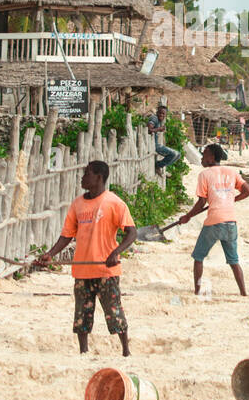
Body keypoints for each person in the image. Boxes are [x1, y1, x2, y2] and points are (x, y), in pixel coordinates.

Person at [37, 160, 137, 356]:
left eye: (87, 174)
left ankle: (126, 351)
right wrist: (50, 254)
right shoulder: (78, 204)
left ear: (99, 177)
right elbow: (67, 235)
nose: (82, 177)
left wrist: (116, 252)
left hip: (106, 271)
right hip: (82, 270)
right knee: (82, 315)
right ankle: (84, 352)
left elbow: (131, 233)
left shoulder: (114, 203)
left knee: (114, 312)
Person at [178, 143, 249, 296]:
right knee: (233, 261)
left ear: (211, 158)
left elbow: (201, 202)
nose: (202, 157)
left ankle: (197, 291)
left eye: (204, 154)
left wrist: (187, 216)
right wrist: (230, 200)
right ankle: (243, 292)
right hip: (230, 222)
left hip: (214, 222)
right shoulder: (231, 172)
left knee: (198, 257)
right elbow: (248, 191)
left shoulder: (204, 175)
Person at [146, 105, 179, 171]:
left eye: (163, 114)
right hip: (153, 146)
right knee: (173, 154)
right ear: (157, 113)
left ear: (165, 115)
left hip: (156, 144)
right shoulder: (154, 118)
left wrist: (159, 129)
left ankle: (160, 165)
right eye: (160, 113)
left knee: (178, 154)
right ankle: (158, 165)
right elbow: (149, 130)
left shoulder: (159, 121)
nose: (161, 115)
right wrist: (159, 129)